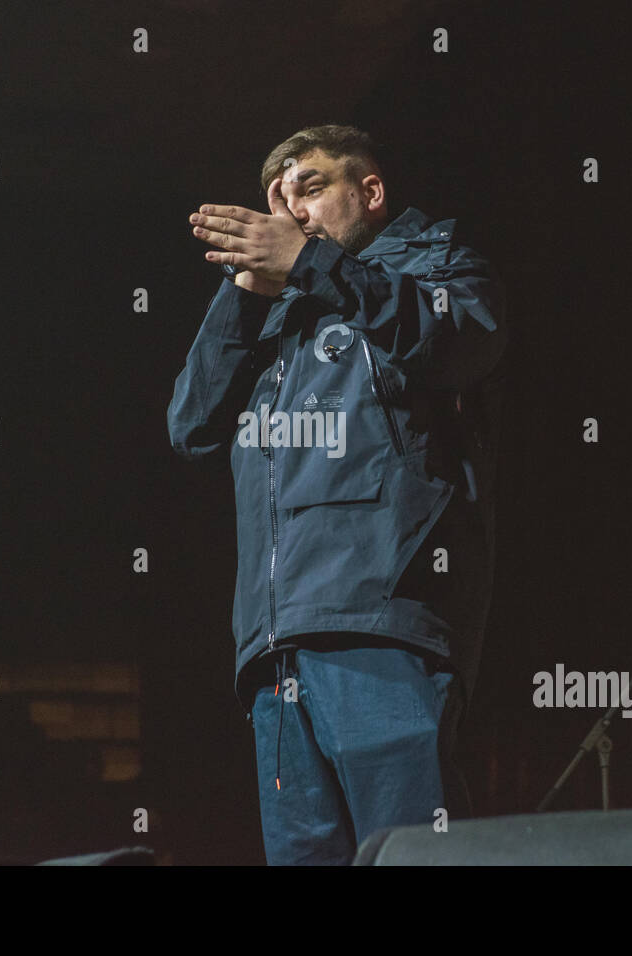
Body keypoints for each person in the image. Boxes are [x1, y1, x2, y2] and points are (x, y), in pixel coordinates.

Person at [167, 124, 508, 864]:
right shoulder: (272, 319)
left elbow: (465, 340)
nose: (292, 213)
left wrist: (313, 265)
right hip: (274, 644)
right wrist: (244, 297)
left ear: (371, 191)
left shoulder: (434, 265)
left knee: (412, 855)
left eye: (311, 188)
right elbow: (191, 425)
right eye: (279, 202)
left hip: (379, 622)